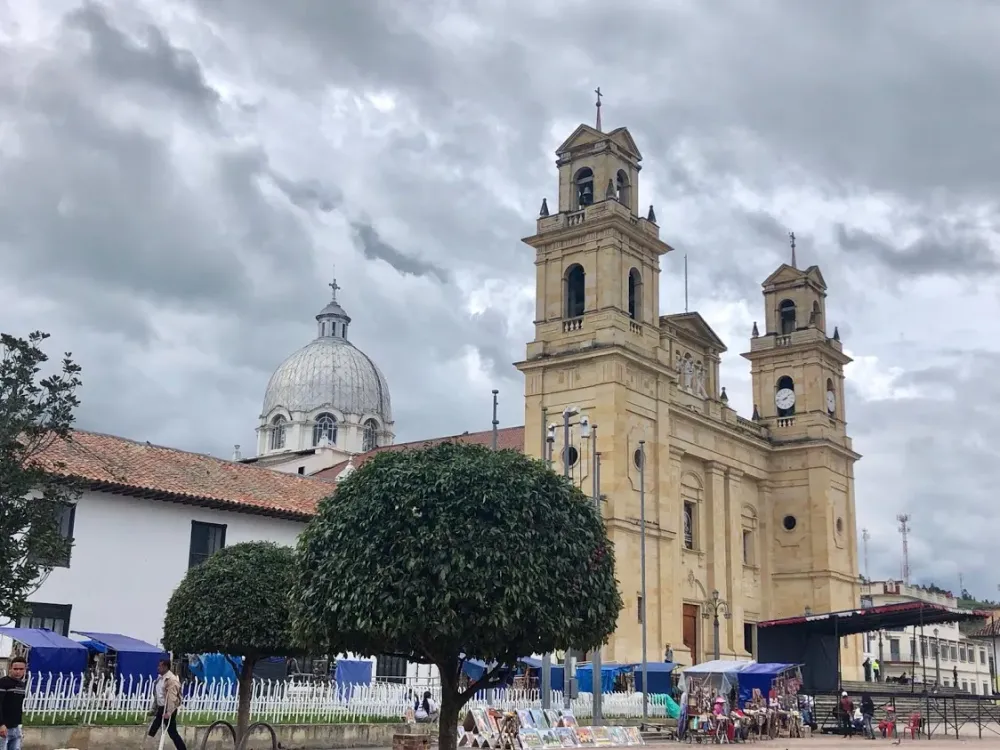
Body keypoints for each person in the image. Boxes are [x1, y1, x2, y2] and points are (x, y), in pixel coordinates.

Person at [148, 659, 187, 750]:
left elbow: (172, 698)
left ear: (165, 667)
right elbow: (158, 695)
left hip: (169, 708)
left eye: (160, 666)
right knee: (158, 728)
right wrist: (154, 708)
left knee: (172, 732)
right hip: (161, 708)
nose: (158, 668)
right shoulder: (160, 678)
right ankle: (148, 742)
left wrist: (169, 712)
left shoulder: (171, 680)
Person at [0, 656, 27, 750]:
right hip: (3, 728)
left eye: (21, 669)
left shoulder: (22, 685)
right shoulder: (3, 683)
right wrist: (1, 724)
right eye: (15, 669)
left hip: (16, 727)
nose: (18, 672)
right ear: (10, 669)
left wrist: (19, 725)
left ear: (25, 670)